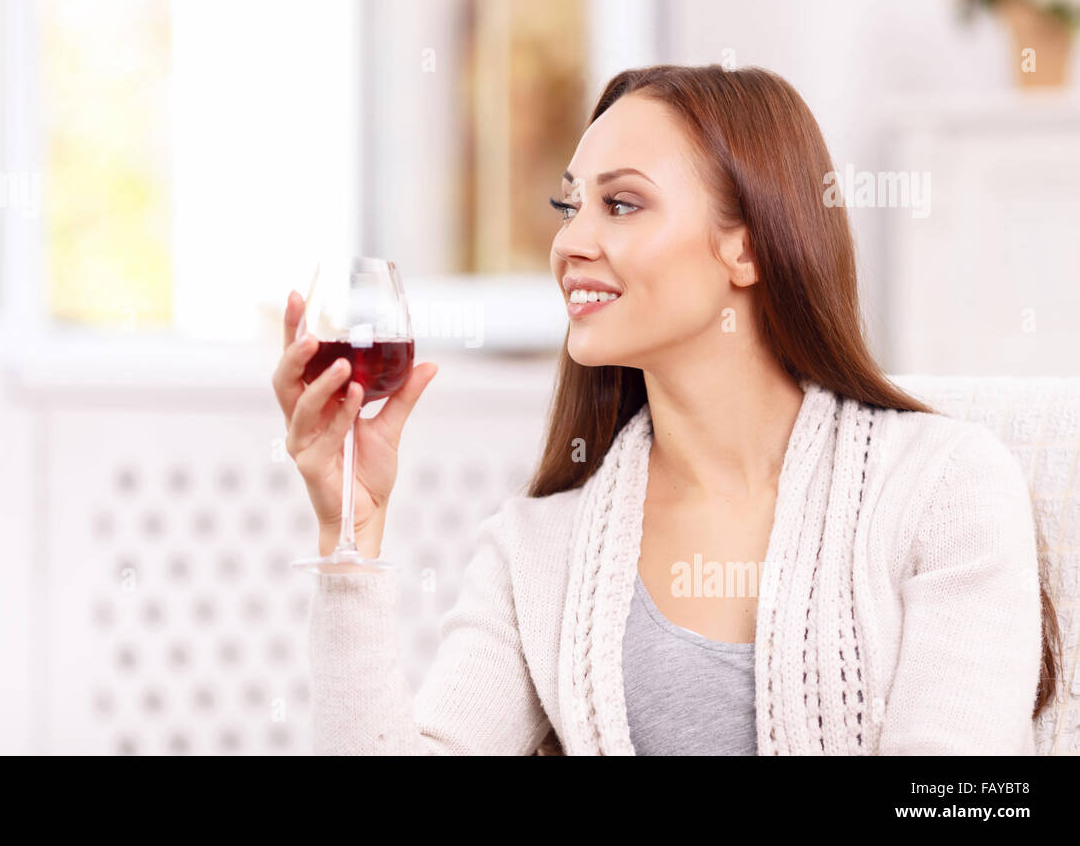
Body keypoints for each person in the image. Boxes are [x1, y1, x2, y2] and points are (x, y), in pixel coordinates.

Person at [271, 64, 1060, 755]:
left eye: (621, 205)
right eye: (568, 204)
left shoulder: (944, 487)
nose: (570, 242)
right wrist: (351, 536)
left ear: (747, 247)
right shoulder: (538, 549)